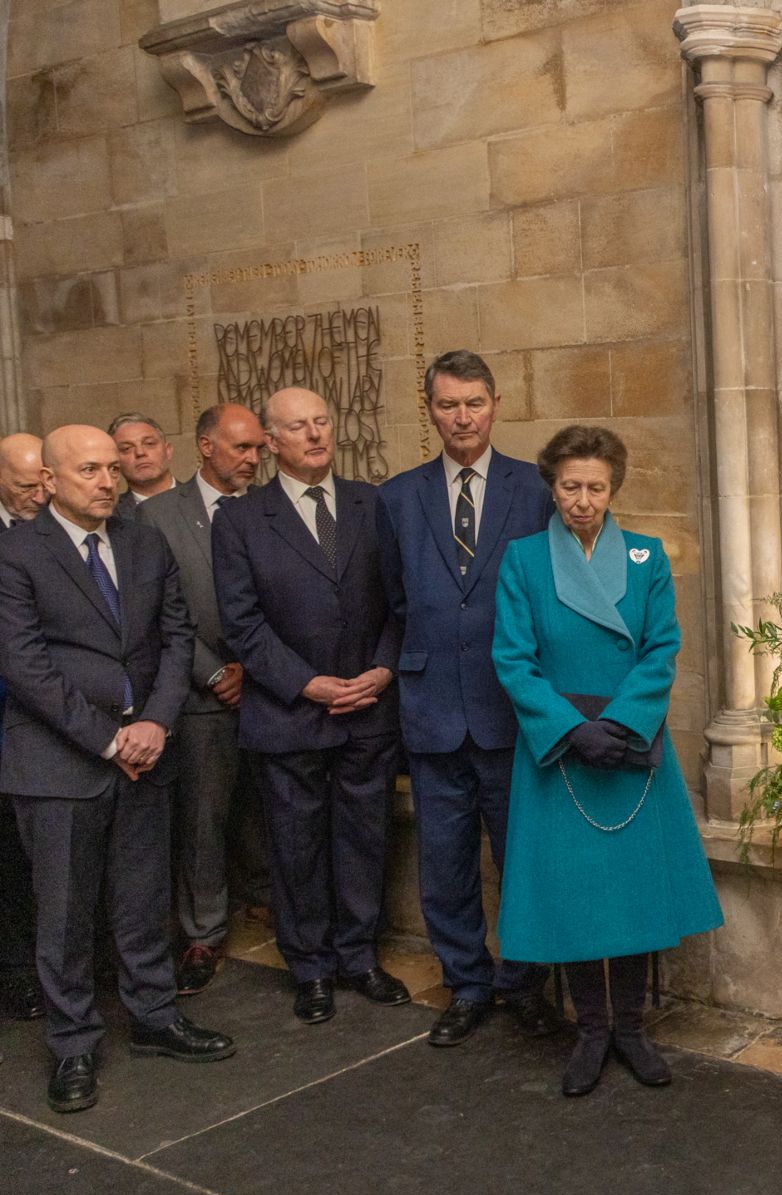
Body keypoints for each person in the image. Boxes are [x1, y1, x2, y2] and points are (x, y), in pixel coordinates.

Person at [0, 424, 235, 1112]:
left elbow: (174, 636)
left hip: (147, 752)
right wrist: (110, 738)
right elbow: (26, 667)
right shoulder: (16, 553)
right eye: (89, 470)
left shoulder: (142, 539)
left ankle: (156, 1018)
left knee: (141, 900)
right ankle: (73, 1043)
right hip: (59, 763)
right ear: (50, 480)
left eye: (111, 469)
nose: (107, 480)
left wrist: (157, 722)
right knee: (65, 914)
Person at [493, 425, 722, 1096]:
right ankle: (590, 1029)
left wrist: (621, 723)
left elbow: (661, 649)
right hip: (560, 750)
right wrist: (570, 728)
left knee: (630, 893)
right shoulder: (524, 560)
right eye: (570, 486)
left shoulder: (649, 557)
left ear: (614, 487)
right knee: (576, 892)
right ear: (552, 486)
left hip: (630, 743)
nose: (583, 500)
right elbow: (512, 658)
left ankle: (630, 1026)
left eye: (596, 486)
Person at [377, 351, 562, 1047]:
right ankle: (466, 984)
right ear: (428, 409)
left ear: (496, 403)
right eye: (449, 404)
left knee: (523, 859)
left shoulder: (536, 489)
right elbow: (396, 599)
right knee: (446, 861)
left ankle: (525, 985)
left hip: (511, 711)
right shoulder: (396, 497)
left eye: (474, 403)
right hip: (431, 709)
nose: (463, 417)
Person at [213, 387, 409, 1025]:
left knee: (363, 839)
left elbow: (400, 603)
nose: (316, 434)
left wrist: (382, 669)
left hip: (369, 711)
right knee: (295, 848)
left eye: (323, 421)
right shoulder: (242, 520)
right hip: (290, 715)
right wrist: (307, 684)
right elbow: (242, 626)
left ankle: (358, 957)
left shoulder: (371, 504)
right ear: (272, 442)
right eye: (298, 427)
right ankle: (311, 968)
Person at [135, 404, 272, 995]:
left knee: (270, 810)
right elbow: (154, 614)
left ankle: (273, 903)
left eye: (258, 449)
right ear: (206, 447)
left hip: (271, 688)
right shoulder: (156, 517)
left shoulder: (269, 510)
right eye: (241, 448)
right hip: (199, 695)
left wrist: (262, 668)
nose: (253, 459)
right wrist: (214, 674)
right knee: (203, 821)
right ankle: (204, 933)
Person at [0, 432, 48, 1023]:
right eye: (24, 484)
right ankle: (17, 973)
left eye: (44, 481)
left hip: (56, 723)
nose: (37, 493)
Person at [110, 413, 178, 514]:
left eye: (149, 443)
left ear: (168, 451)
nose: (140, 453)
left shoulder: (201, 498)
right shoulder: (108, 515)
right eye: (127, 448)